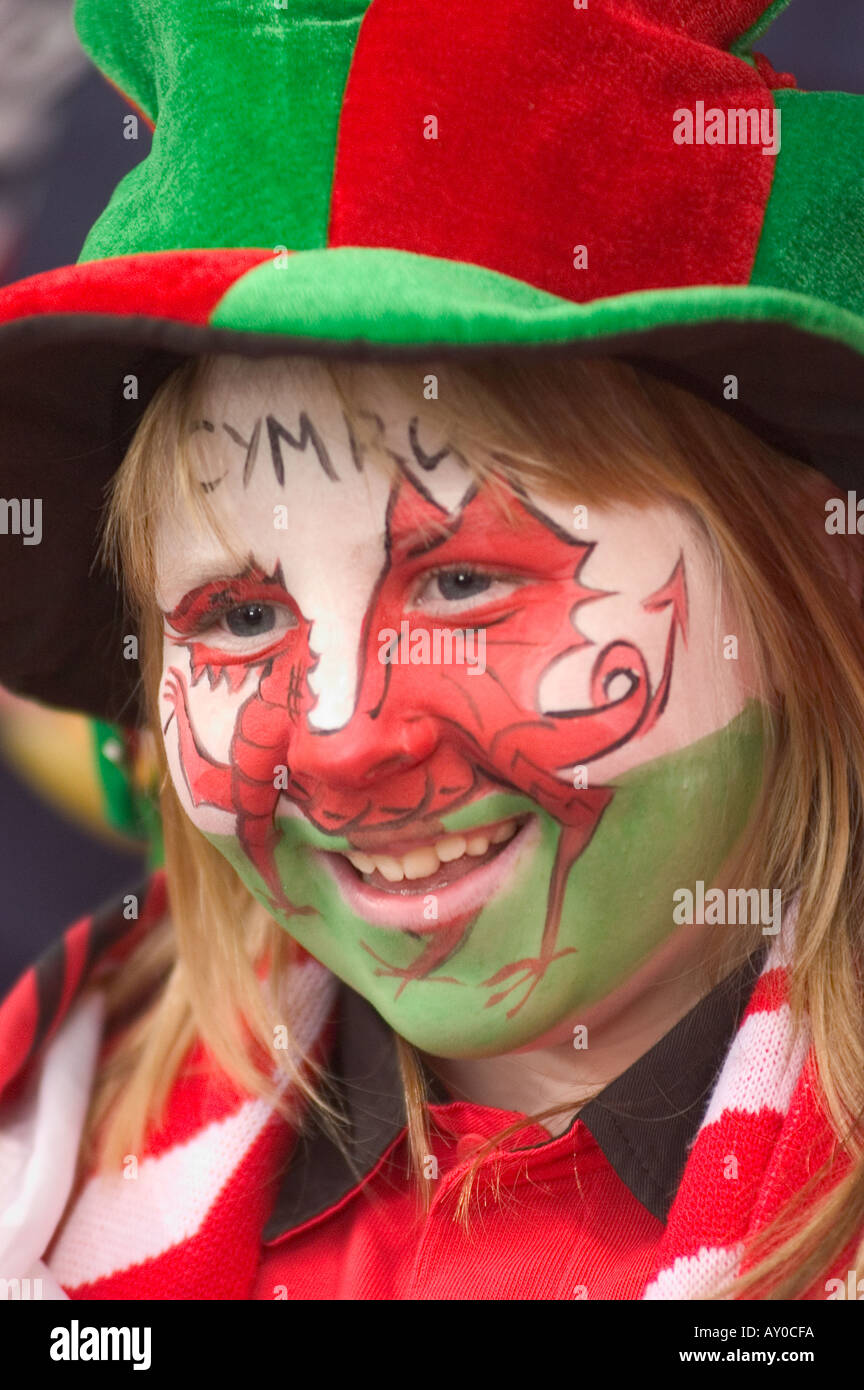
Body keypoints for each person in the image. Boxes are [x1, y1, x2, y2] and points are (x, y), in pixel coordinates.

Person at [0, 0, 863, 1302]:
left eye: (464, 582)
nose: (347, 743)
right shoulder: (42, 1167)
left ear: (821, 569)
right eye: (239, 615)